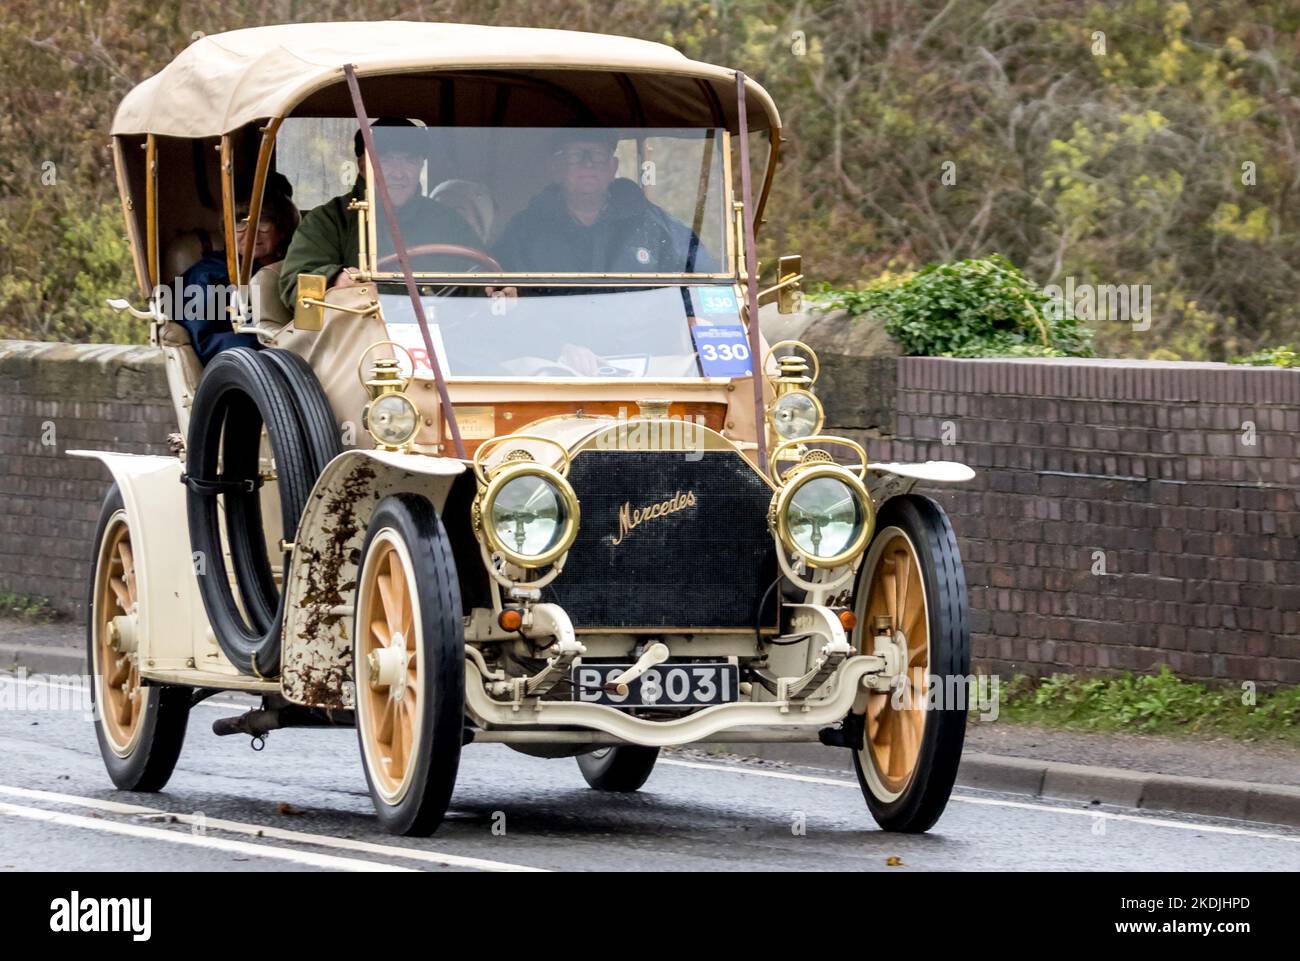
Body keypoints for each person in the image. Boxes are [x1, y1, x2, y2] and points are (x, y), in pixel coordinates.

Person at [278, 118, 482, 311]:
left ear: (420, 166)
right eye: (385, 161)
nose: (398, 173)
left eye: (409, 161)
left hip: (442, 331)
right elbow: (294, 286)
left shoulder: (448, 222)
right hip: (358, 335)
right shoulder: (329, 221)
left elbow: (479, 274)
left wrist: (493, 290)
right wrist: (335, 280)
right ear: (362, 167)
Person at [492, 131, 715, 274]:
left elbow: (702, 273)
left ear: (612, 168)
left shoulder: (651, 224)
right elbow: (497, 292)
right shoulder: (525, 231)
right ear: (556, 169)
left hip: (643, 346)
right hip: (550, 346)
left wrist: (692, 314)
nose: (588, 165)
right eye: (575, 156)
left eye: (597, 156)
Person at [181, 174, 298, 364]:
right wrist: (268, 350)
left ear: (282, 227)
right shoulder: (209, 276)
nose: (250, 232)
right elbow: (206, 342)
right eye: (239, 222)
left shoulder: (297, 269)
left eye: (263, 221)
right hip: (250, 372)